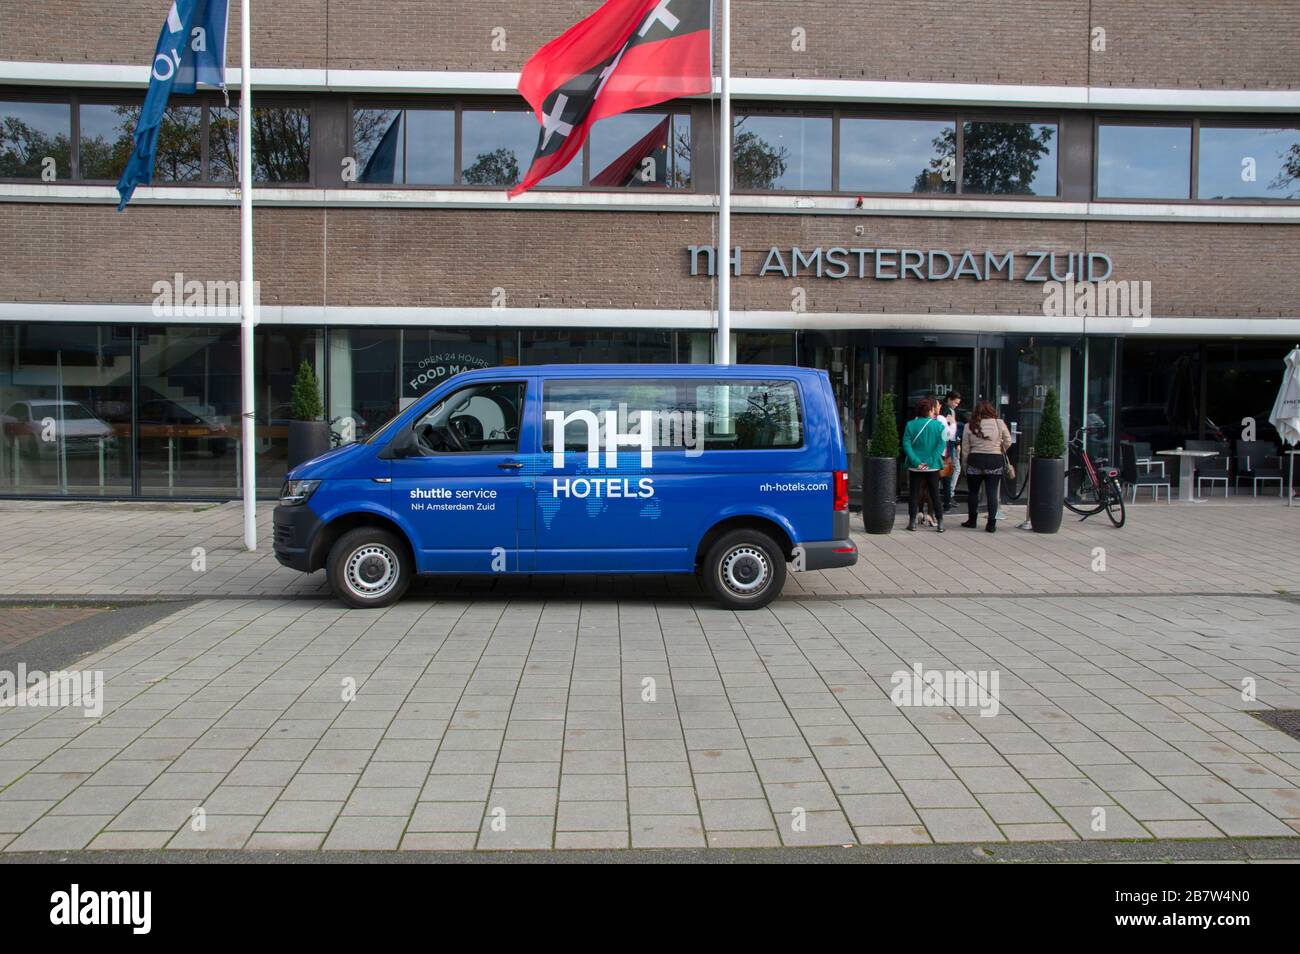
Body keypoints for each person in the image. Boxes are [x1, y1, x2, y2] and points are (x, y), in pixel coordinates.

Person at [960, 399, 1012, 533]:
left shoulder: (969, 426)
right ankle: (991, 524)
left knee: (973, 492)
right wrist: (999, 450)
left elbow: (965, 449)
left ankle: (972, 521)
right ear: (991, 410)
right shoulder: (999, 423)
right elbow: (1008, 441)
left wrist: (964, 466)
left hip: (975, 461)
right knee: (992, 493)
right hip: (995, 461)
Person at [902, 396, 947, 532]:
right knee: (935, 494)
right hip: (932, 466)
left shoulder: (910, 425)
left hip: (915, 466)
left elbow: (906, 444)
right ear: (930, 410)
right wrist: (930, 461)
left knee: (914, 493)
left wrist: (916, 461)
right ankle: (940, 522)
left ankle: (912, 522)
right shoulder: (939, 426)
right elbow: (942, 444)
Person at [938, 391, 962, 513]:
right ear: (949, 399)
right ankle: (948, 498)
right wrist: (957, 442)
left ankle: (941, 499)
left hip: (942, 447)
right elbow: (949, 433)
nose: (956, 405)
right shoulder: (948, 411)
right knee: (952, 470)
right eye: (955, 402)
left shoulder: (942, 410)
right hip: (948, 446)